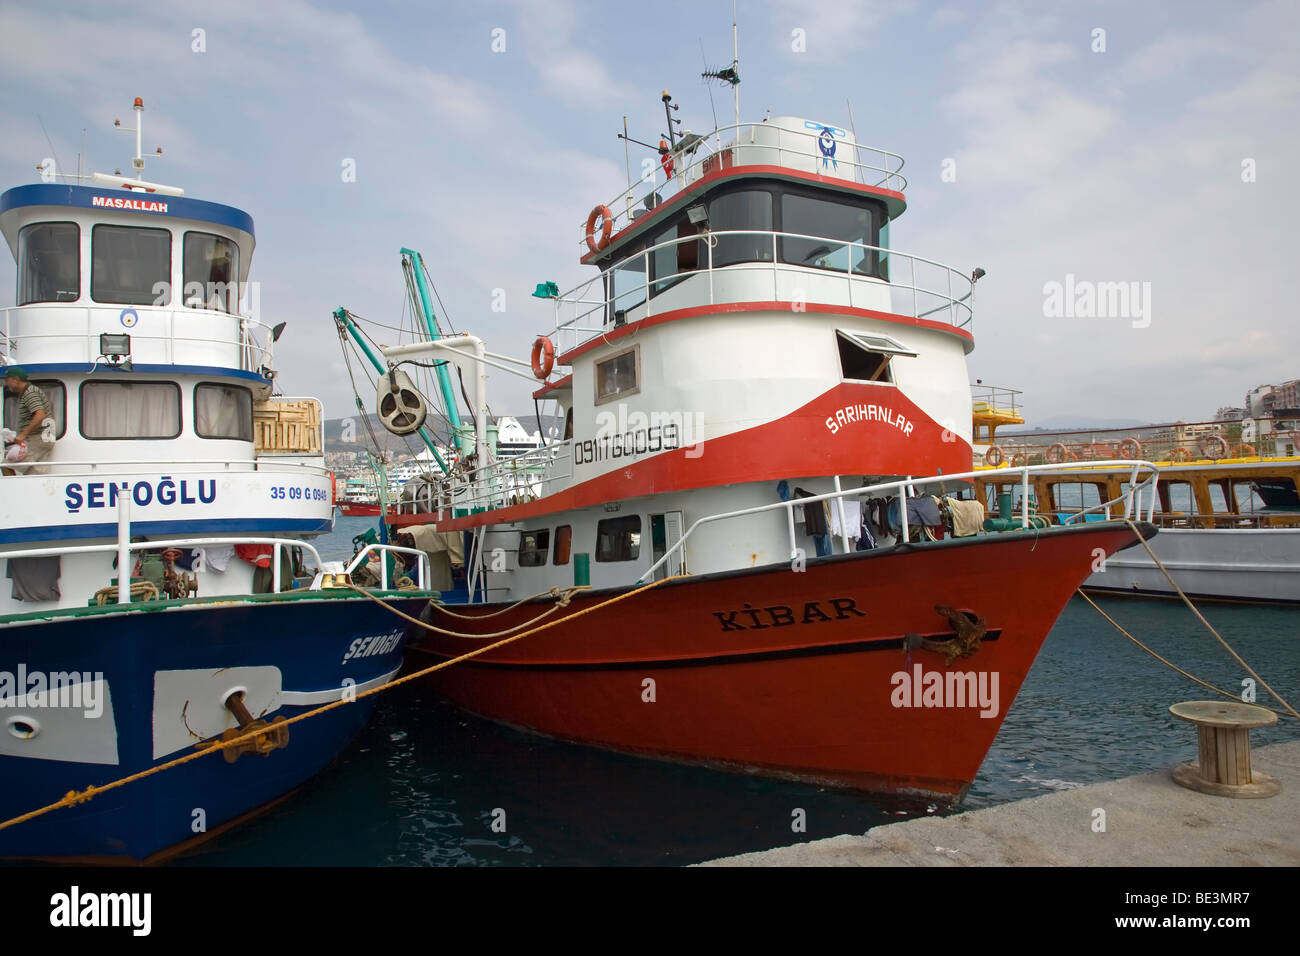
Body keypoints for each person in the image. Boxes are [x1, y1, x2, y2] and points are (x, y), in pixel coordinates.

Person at [3, 367, 54, 476]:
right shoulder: (29, 391)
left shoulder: (29, 393)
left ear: (15, 379)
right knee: (33, 474)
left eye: (7, 380)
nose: (6, 384)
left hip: (38, 439)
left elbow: (40, 415)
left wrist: (23, 434)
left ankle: (14, 492)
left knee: (5, 465)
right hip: (44, 439)